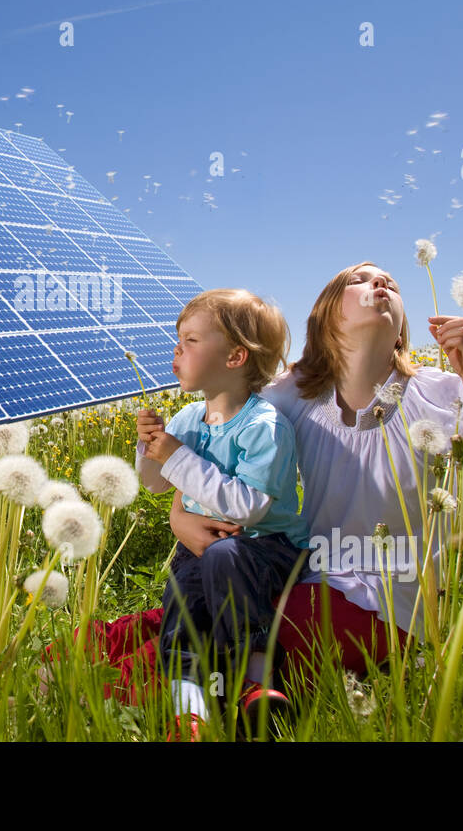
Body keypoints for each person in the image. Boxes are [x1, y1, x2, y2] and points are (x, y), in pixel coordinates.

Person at [75, 260, 463, 726]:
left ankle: (174, 706)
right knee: (201, 621)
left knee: (207, 644)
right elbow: (219, 448)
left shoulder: (441, 395)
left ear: (401, 327)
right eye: (362, 279)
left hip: (389, 595)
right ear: (327, 315)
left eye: (391, 283)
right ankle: (112, 673)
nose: (382, 285)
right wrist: (179, 515)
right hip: (293, 572)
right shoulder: (292, 395)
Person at [135, 288, 307, 739]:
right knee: (184, 597)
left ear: (234, 357)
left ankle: (257, 679)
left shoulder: (264, 426)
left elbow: (248, 509)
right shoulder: (188, 420)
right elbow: (156, 485)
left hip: (266, 550)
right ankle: (188, 706)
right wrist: (149, 447)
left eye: (191, 340)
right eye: (178, 340)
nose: (176, 350)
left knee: (226, 558)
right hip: (199, 549)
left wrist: (176, 456)